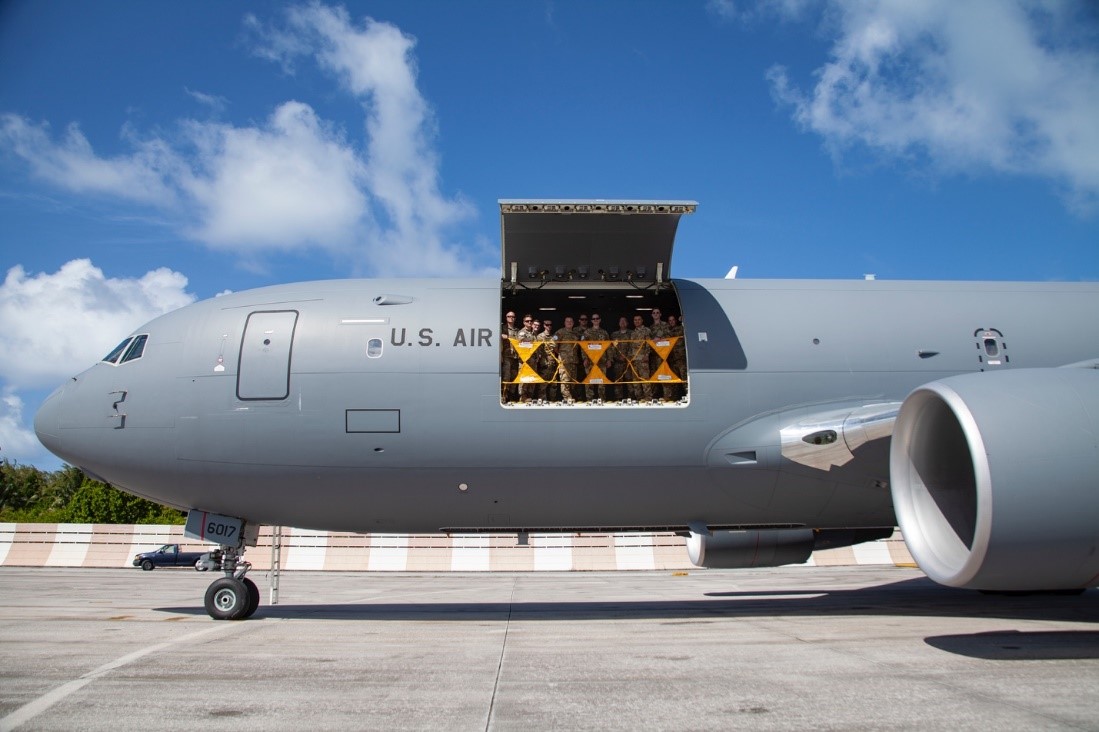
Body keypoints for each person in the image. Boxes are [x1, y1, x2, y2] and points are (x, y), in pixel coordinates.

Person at [581, 313, 610, 402]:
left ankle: (601, 399)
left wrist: (609, 359)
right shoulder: (587, 332)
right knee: (590, 381)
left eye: (597, 318)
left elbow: (609, 347)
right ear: (591, 321)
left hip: (602, 360)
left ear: (600, 320)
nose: (595, 320)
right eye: (593, 319)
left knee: (601, 381)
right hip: (590, 361)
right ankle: (590, 400)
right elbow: (583, 346)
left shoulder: (604, 332)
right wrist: (585, 358)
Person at [626, 314, 653, 402]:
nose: (637, 321)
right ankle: (639, 398)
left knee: (645, 380)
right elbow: (631, 346)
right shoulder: (633, 333)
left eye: (639, 319)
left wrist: (647, 355)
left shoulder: (646, 330)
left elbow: (649, 344)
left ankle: (648, 398)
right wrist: (630, 359)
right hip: (634, 360)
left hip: (642, 359)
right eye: (635, 320)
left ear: (642, 321)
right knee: (635, 381)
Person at [554, 316, 581, 403]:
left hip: (574, 361)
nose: (569, 323)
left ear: (573, 323)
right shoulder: (560, 332)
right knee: (565, 380)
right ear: (564, 323)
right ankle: (567, 398)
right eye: (567, 321)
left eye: (571, 321)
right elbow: (554, 345)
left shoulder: (576, 334)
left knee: (573, 381)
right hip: (564, 362)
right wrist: (561, 355)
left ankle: (572, 397)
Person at [608, 315, 631, 402]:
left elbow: (634, 347)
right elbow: (612, 348)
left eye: (624, 321)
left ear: (627, 323)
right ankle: (618, 399)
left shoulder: (631, 333)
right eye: (621, 321)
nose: (622, 323)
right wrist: (617, 357)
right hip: (618, 362)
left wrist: (627, 357)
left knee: (630, 381)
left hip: (629, 362)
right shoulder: (614, 335)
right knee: (618, 381)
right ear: (618, 323)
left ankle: (631, 398)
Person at [536, 319, 558, 401]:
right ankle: (542, 401)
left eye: (550, 325)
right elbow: (537, 351)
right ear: (544, 325)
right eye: (547, 325)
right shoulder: (540, 337)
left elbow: (556, 350)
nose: (549, 326)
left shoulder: (553, 337)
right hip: (544, 364)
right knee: (543, 384)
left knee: (554, 384)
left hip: (553, 364)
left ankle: (553, 400)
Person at [666, 314, 686, 401]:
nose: (671, 322)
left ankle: (687, 395)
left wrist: (683, 320)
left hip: (681, 359)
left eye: (673, 320)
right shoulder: (667, 332)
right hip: (672, 360)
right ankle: (674, 398)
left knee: (684, 378)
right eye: (669, 321)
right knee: (674, 381)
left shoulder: (681, 329)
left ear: (676, 321)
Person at [501, 311, 520, 402]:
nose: (511, 318)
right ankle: (504, 396)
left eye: (513, 316)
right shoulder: (502, 328)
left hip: (516, 357)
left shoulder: (517, 330)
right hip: (506, 356)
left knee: (514, 376)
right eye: (509, 316)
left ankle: (512, 396)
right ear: (506, 317)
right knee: (506, 376)